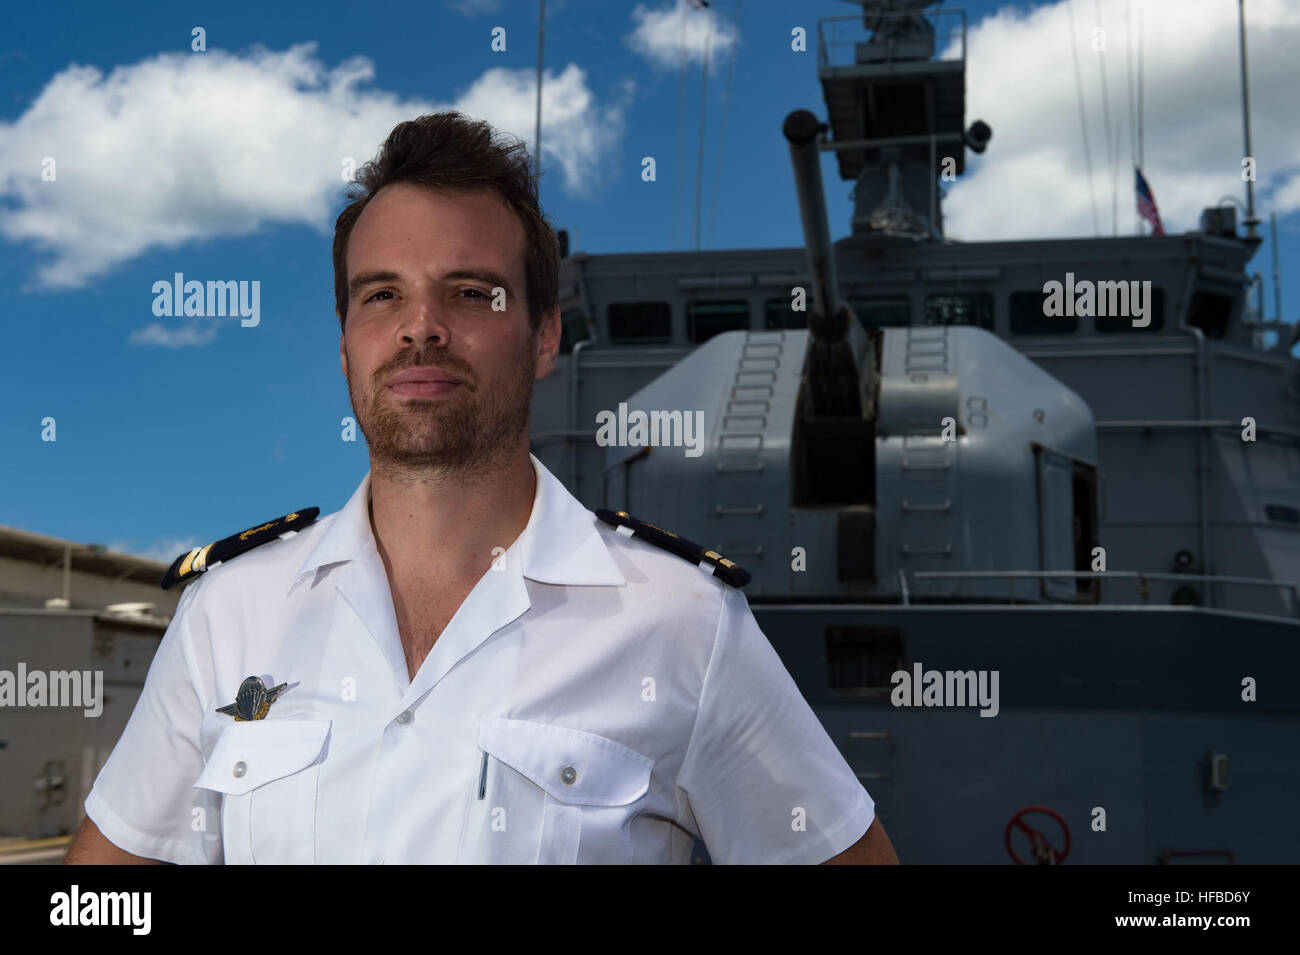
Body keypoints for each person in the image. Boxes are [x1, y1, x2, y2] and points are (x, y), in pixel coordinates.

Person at [66, 111, 898, 865]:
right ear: (346, 344)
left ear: (542, 336)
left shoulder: (683, 626)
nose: (419, 325)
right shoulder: (230, 613)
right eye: (381, 293)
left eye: (470, 293)